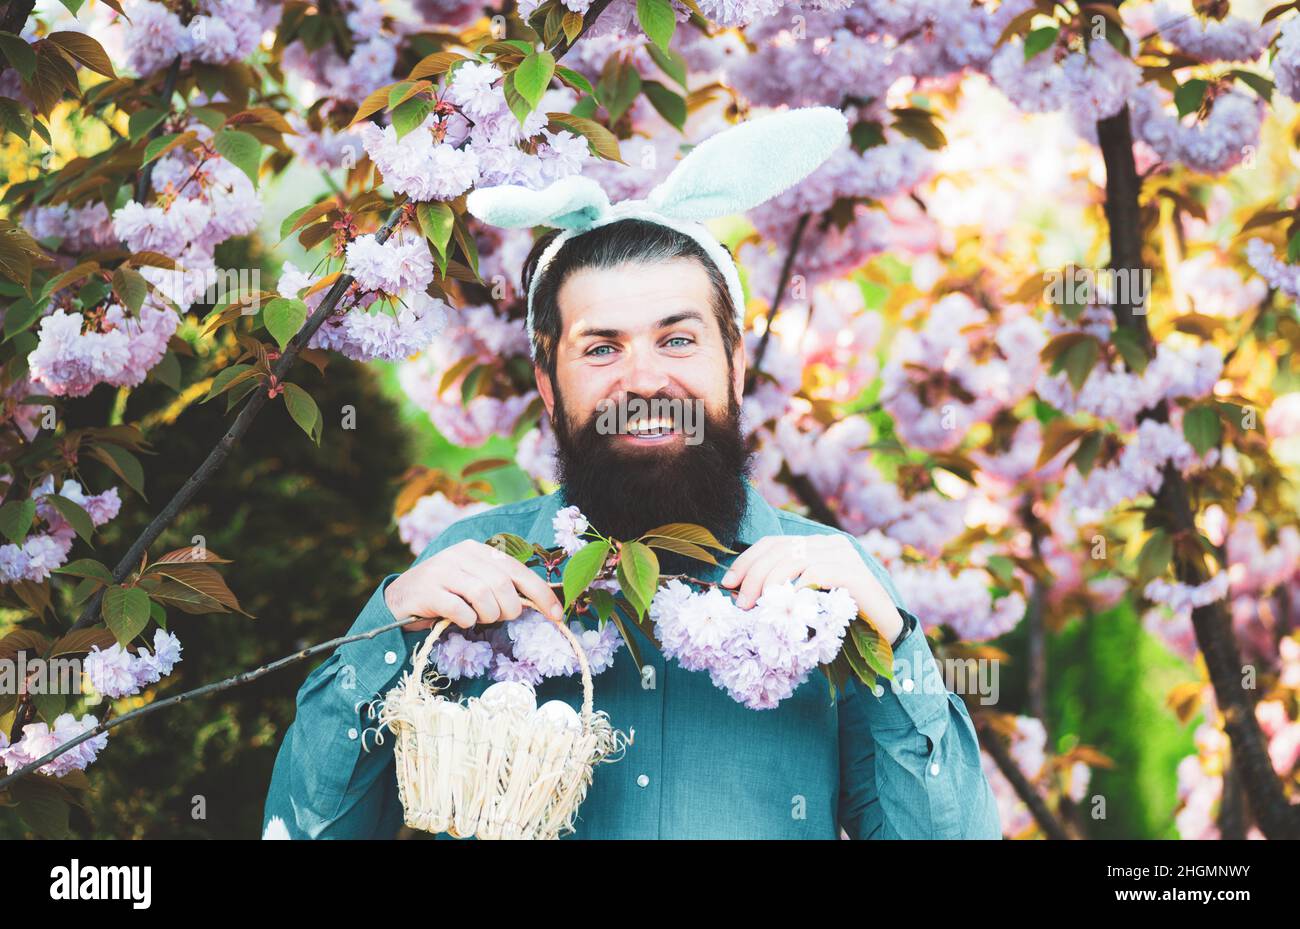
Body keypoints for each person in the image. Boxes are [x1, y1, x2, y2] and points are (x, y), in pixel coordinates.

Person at [261, 107, 1002, 839]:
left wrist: (896, 649)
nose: (644, 381)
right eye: (602, 348)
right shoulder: (469, 577)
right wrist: (386, 631)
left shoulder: (829, 594)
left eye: (677, 339)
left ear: (736, 367)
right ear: (549, 385)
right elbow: (306, 830)